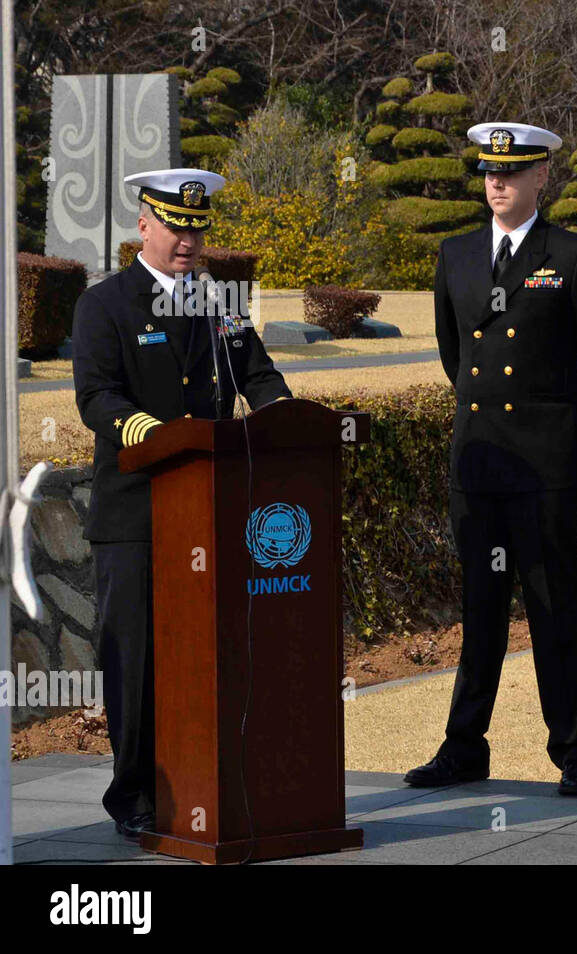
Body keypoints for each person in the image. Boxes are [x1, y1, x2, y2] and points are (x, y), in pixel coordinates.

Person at [72, 168, 292, 838]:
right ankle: (134, 795)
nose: (187, 239)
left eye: (197, 227)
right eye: (174, 225)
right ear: (144, 226)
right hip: (138, 512)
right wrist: (157, 436)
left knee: (211, 656)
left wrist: (285, 420)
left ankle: (205, 782)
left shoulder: (221, 304)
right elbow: (97, 397)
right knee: (137, 663)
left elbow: (257, 375)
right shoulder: (105, 304)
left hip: (214, 511)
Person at [406, 122, 577, 796]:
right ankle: (464, 746)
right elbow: (455, 356)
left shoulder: (576, 255)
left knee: (555, 603)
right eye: (488, 170)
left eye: (513, 170)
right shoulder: (457, 253)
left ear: (541, 178)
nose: (497, 181)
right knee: (480, 605)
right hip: (479, 462)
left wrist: (559, 420)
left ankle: (575, 749)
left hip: (545, 465)